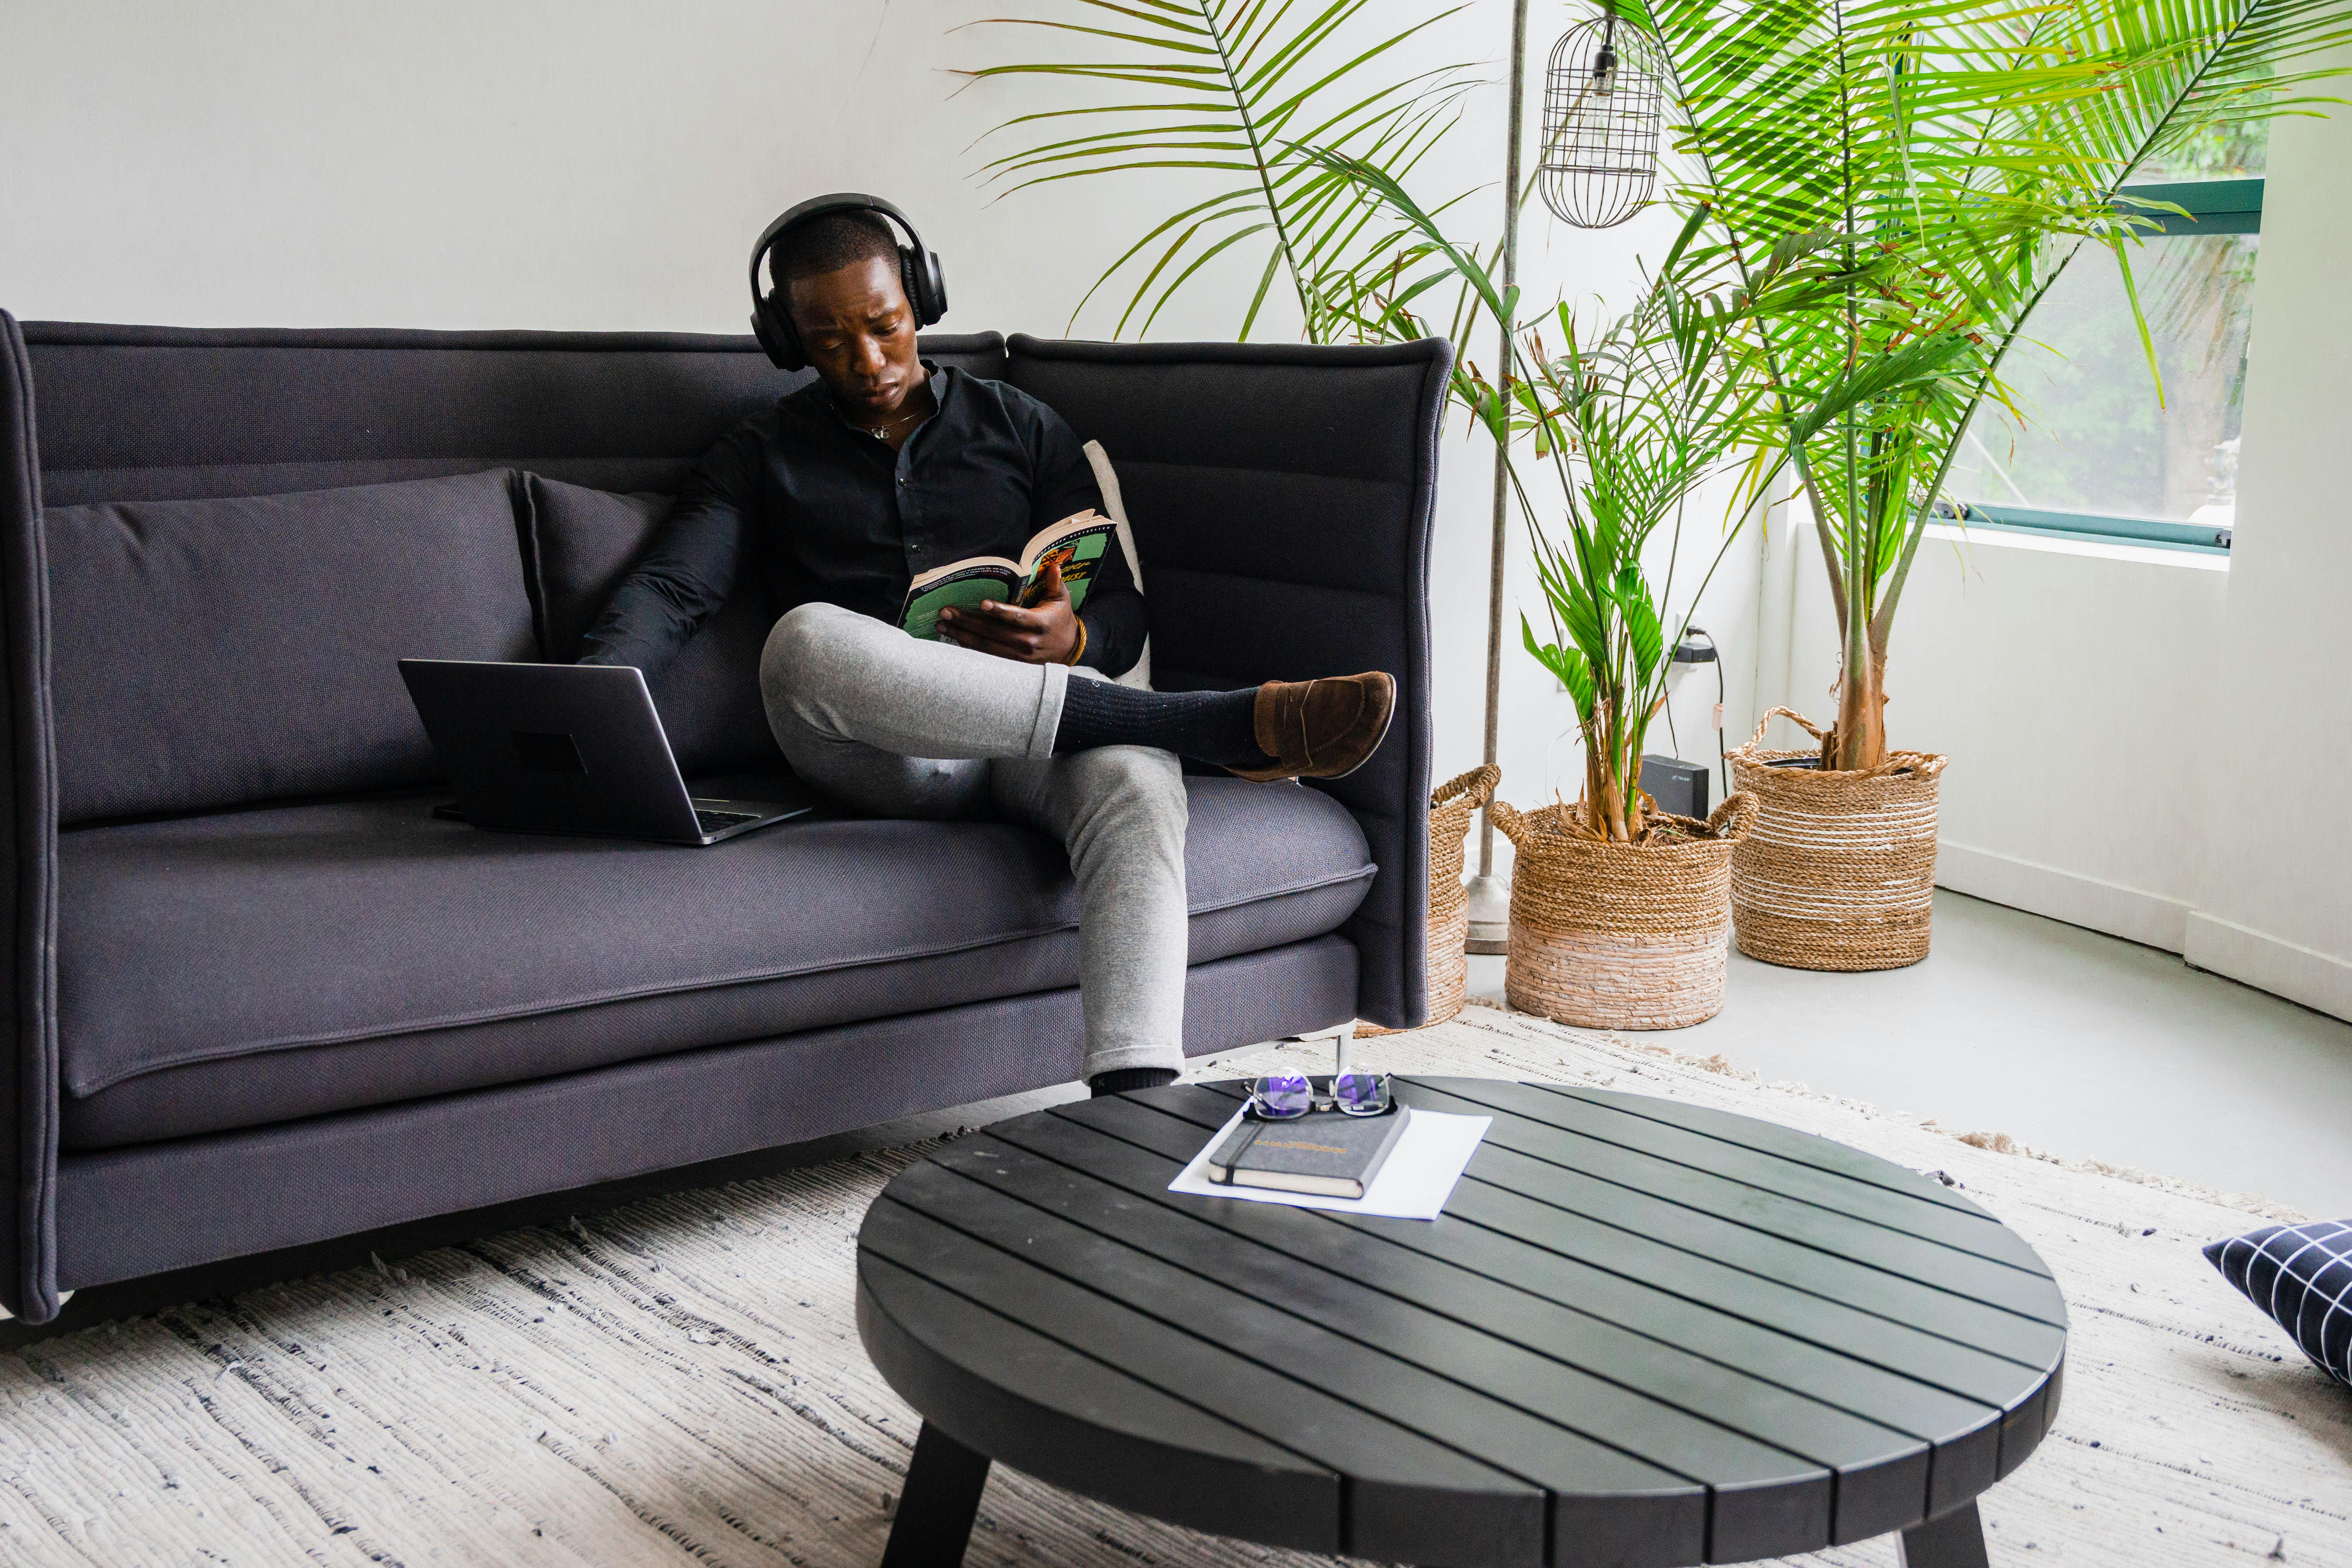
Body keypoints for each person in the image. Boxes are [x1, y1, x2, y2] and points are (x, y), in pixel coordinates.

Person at [578, 199, 1395, 1096]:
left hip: (1026, 743)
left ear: (921, 298)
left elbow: (1121, 607)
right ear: (786, 339)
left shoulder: (1022, 425)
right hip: (886, 757)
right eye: (831, 340)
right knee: (801, 640)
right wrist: (579, 706)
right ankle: (1204, 725)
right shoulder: (759, 452)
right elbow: (671, 589)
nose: (869, 360)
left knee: (1131, 778)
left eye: (886, 326)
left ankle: (1136, 1105)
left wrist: (1074, 634)